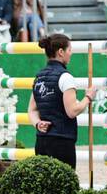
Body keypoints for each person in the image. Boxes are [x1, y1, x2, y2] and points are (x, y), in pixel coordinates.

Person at [28, 33, 99, 170]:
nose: (70, 53)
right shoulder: (65, 77)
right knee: (64, 186)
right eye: (69, 50)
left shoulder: (39, 77)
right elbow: (72, 111)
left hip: (42, 141)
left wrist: (37, 123)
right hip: (62, 141)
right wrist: (88, 97)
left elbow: (32, 110)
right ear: (61, 52)